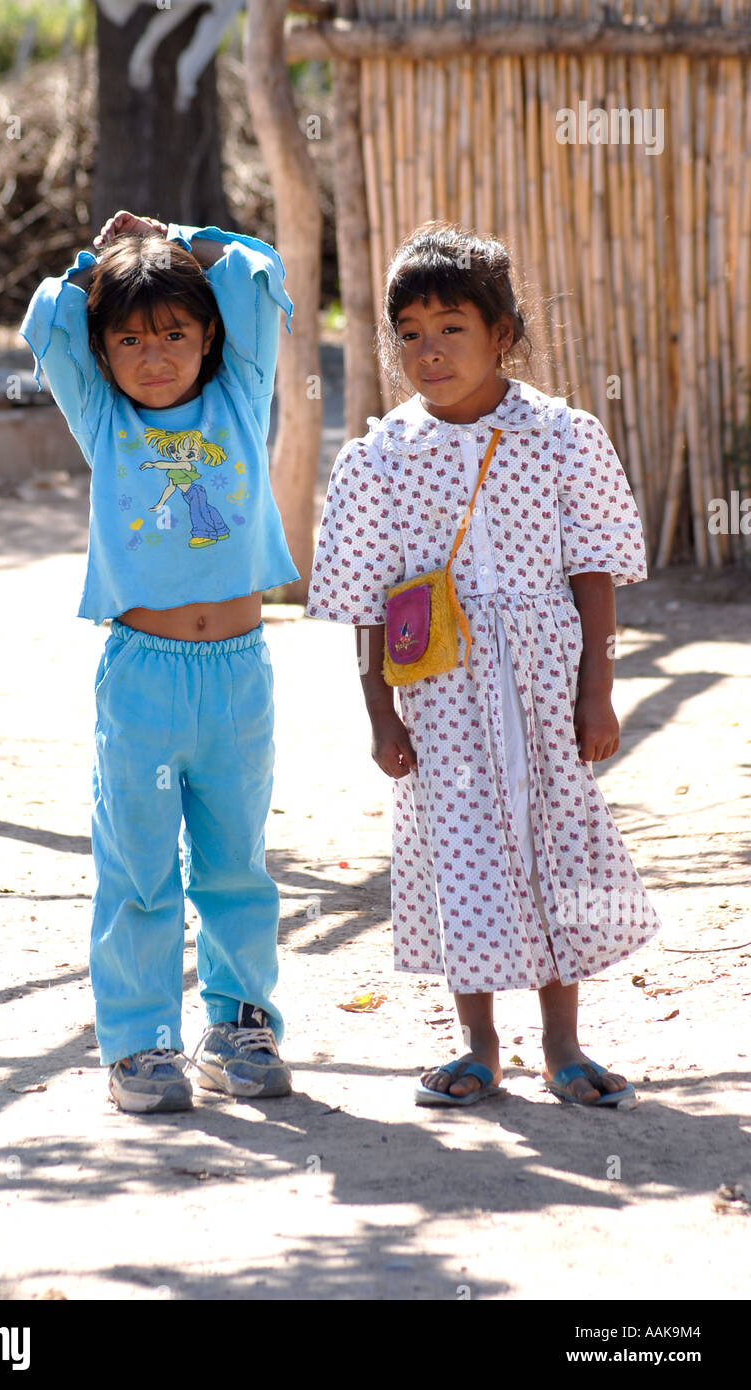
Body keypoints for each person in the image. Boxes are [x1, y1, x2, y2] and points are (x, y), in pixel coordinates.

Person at [305, 221, 661, 1109]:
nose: (430, 350)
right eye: (411, 333)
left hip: (545, 688)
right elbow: (368, 603)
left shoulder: (565, 437)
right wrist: (381, 715)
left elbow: (594, 576)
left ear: (503, 333)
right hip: (440, 696)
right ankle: (477, 1046)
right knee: (459, 858)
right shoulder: (381, 458)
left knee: (554, 860)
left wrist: (598, 693)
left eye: (452, 327)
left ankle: (565, 1046)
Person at [19, 210, 298, 1112]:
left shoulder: (241, 393)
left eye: (174, 333)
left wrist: (180, 234)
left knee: (236, 862)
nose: (153, 355)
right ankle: (140, 1045)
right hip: (143, 675)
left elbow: (259, 271)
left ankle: (240, 1027)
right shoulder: (102, 415)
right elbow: (47, 320)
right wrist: (97, 260)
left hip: (239, 678)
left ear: (208, 334)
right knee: (138, 866)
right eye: (130, 339)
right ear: (103, 353)